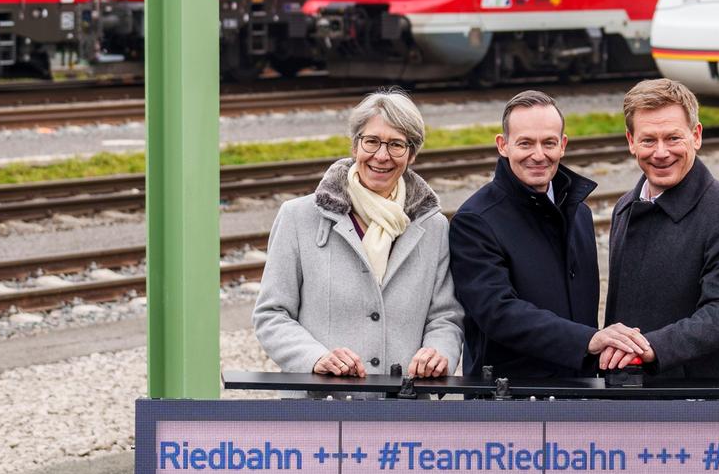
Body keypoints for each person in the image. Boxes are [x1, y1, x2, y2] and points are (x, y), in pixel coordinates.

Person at [254, 88, 463, 382]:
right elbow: (271, 314)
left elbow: (446, 317)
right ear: (355, 147)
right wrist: (315, 358)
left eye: (396, 145)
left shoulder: (433, 227)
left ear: (412, 154)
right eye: (372, 141)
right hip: (321, 408)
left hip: (403, 412)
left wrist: (438, 352)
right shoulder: (298, 217)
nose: (382, 155)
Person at [449, 90, 648, 378]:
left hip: (577, 392)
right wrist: (587, 341)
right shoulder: (475, 221)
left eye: (549, 143)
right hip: (507, 400)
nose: (539, 155)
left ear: (563, 145)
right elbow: (498, 312)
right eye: (526, 143)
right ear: (503, 145)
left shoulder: (580, 213)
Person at [601, 78, 719, 378]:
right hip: (633, 388)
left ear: (696, 135)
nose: (661, 152)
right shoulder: (624, 207)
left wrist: (651, 347)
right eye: (648, 140)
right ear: (631, 141)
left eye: (673, 138)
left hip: (703, 395)